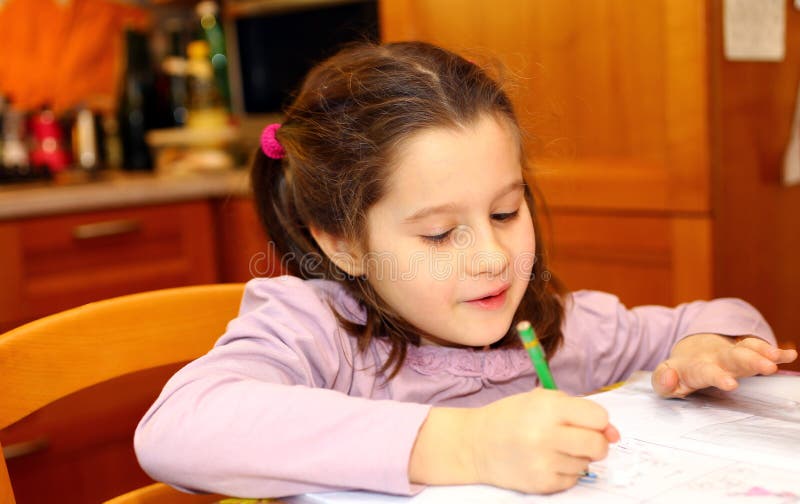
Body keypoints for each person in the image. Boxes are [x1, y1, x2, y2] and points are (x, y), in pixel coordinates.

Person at [134, 41, 797, 499]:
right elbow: (177, 430)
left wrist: (710, 348)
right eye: (440, 232)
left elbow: (712, 318)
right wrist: (467, 444)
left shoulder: (556, 329)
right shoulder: (318, 331)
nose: (490, 256)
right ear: (343, 244)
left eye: (506, 213)